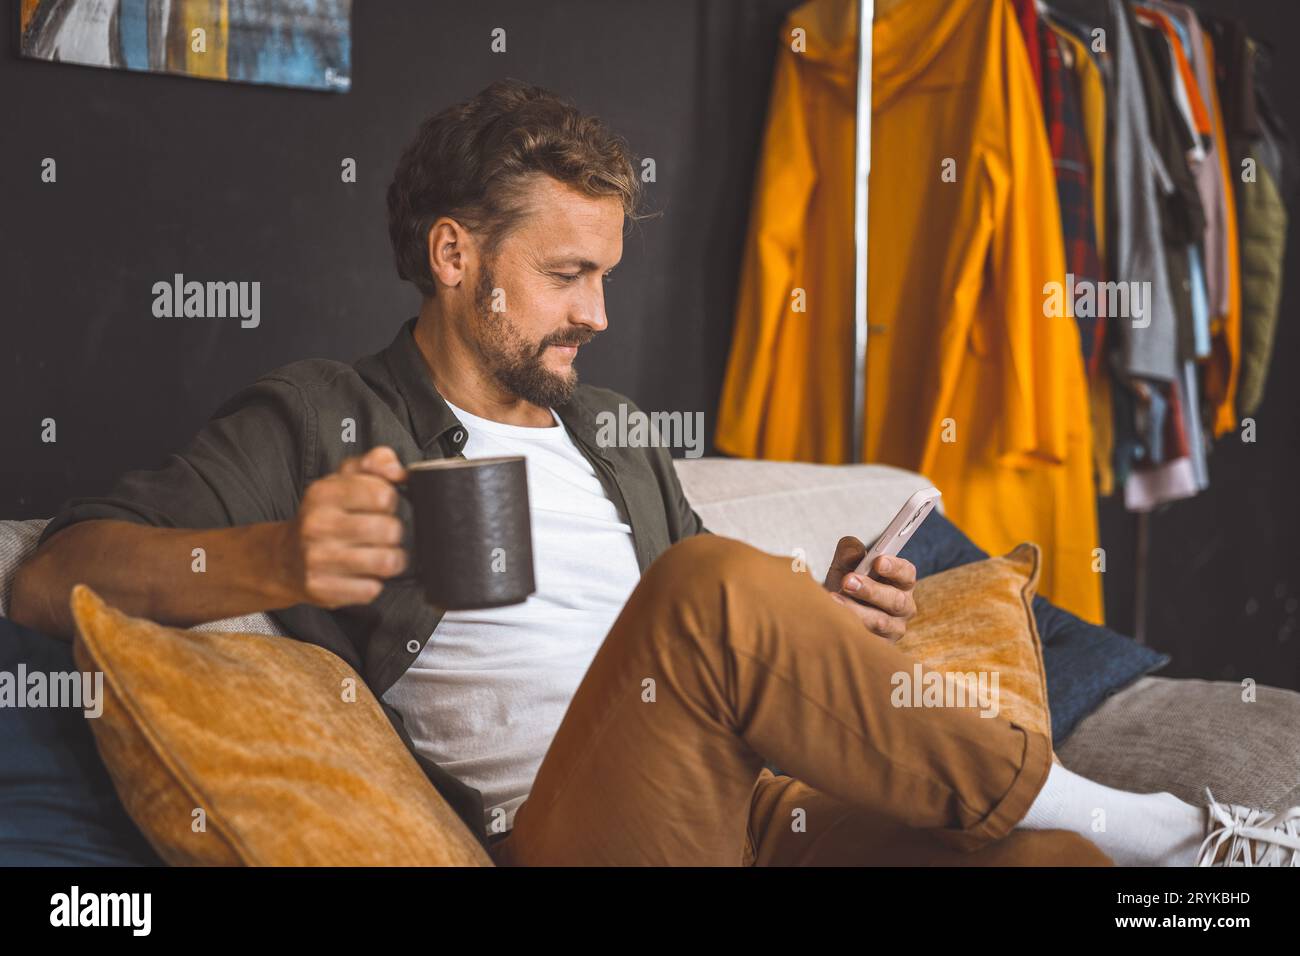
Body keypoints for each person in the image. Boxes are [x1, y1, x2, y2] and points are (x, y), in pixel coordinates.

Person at [13, 79, 1298, 867]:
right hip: (577, 829)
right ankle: (1156, 825)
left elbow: (718, 643)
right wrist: (272, 560)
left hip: (754, 800)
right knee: (701, 590)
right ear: (456, 256)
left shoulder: (609, 428)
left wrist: (827, 627)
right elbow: (51, 573)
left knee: (1043, 859)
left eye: (609, 275)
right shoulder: (321, 412)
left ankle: (1087, 826)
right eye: (570, 276)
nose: (601, 314)